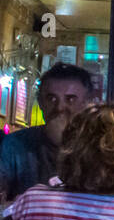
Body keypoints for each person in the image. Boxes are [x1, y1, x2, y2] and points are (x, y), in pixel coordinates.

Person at [0, 63, 93, 202]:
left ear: (86, 103)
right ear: (40, 102)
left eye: (70, 99)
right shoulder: (15, 144)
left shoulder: (99, 147)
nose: (60, 107)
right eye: (52, 99)